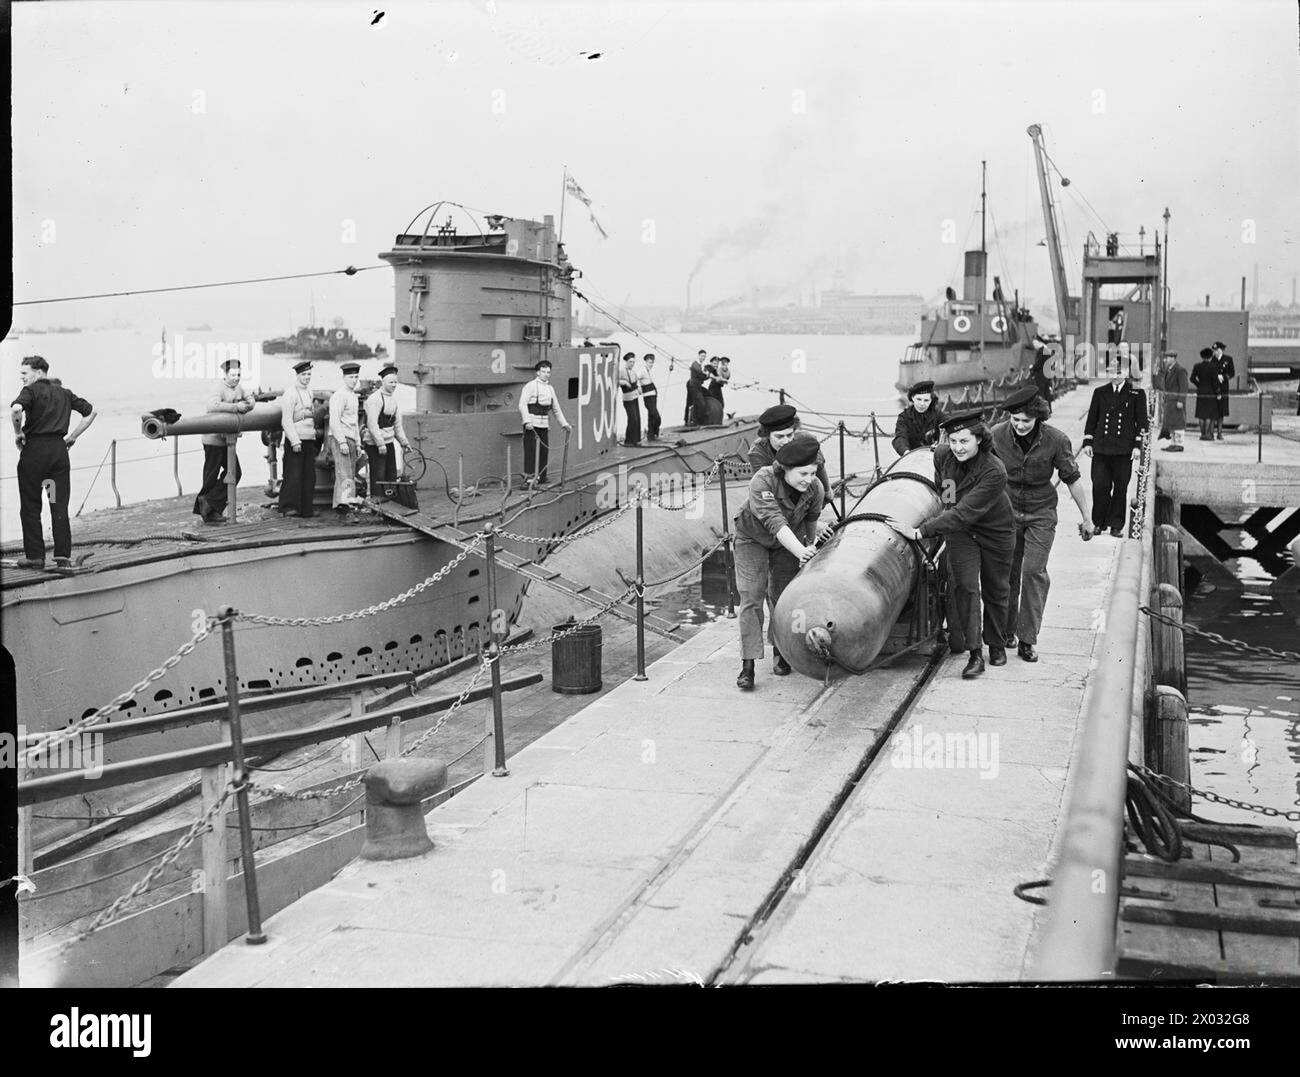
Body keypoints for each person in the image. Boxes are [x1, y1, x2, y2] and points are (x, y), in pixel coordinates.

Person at [886, 411, 1015, 679]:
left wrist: (921, 532)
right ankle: (975, 654)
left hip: (995, 531)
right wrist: (944, 519)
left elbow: (963, 511)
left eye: (964, 441)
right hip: (962, 532)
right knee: (966, 586)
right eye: (953, 440)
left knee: (996, 588)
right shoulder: (943, 456)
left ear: (980, 439)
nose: (958, 447)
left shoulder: (994, 471)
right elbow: (948, 498)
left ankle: (996, 643)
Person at [990, 385, 1093, 663]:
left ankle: (1026, 639)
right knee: (1006, 574)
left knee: (1033, 572)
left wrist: (1087, 517)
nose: (1020, 426)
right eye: (1015, 420)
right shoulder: (996, 436)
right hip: (1006, 512)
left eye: (1026, 420)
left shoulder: (1056, 440)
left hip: (1040, 513)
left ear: (1038, 417)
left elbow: (1072, 478)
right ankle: (1006, 632)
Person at [732, 434, 833, 690]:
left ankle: (781, 651)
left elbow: (810, 524)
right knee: (751, 597)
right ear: (785, 469)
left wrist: (810, 547)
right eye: (803, 474)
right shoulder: (762, 480)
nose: (809, 480)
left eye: (813, 473)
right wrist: (801, 551)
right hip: (752, 538)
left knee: (782, 595)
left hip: (788, 542)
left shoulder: (814, 489)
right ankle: (748, 665)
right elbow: (774, 521)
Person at [9, 356, 97, 568]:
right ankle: (62, 557)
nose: (22, 377)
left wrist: (18, 432)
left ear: (38, 373)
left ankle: (36, 557)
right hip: (58, 455)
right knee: (58, 504)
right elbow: (91, 412)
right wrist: (73, 436)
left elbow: (16, 410)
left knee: (31, 505)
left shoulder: (30, 391)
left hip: (34, 454)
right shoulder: (64, 393)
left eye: (24, 373)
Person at [1081, 360, 1148, 537]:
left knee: (1121, 488)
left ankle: (1116, 525)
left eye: (1120, 371)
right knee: (1100, 486)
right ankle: (1099, 522)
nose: (1116, 374)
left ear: (1126, 372)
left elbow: (1142, 422)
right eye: (1112, 371)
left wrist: (1137, 446)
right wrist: (1088, 442)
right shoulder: (1100, 392)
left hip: (1123, 449)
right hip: (1101, 449)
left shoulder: (1136, 393)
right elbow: (1092, 419)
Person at [193, 357, 255, 525]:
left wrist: (250, 402)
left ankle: (209, 505)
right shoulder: (218, 388)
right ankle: (207, 509)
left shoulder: (238, 387)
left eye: (239, 375)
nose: (236, 378)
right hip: (213, 439)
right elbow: (212, 405)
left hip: (228, 440)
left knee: (235, 472)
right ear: (226, 374)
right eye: (233, 375)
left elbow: (249, 399)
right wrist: (236, 407)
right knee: (211, 477)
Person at [748, 404, 831, 494]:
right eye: (779, 437)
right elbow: (764, 484)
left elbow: (819, 467)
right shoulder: (758, 453)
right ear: (767, 435)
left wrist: (827, 491)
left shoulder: (807, 440)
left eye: (789, 435)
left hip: (804, 486)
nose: (786, 441)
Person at [517, 357, 572, 484]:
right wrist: (527, 421)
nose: (546, 374)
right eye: (543, 371)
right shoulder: (530, 386)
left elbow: (556, 409)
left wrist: (564, 424)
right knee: (530, 451)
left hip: (544, 424)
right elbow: (522, 404)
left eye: (548, 372)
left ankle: (542, 476)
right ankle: (529, 478)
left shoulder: (550, 389)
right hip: (531, 424)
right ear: (538, 372)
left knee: (544, 450)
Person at [279, 360, 320, 518]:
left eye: (309, 374)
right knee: (293, 474)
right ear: (297, 375)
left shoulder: (309, 392)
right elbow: (286, 420)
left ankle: (306, 508)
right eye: (303, 374)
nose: (307, 377)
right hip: (296, 440)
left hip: (309, 438)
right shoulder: (290, 393)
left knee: (309, 475)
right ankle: (289, 507)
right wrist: (295, 440)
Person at [363, 363, 412, 493]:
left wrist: (404, 442)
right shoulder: (375, 399)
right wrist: (380, 444)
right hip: (375, 444)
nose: (394, 385)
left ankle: (390, 501)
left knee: (391, 473)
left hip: (388, 442)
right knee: (379, 475)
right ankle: (377, 502)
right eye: (391, 382)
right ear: (383, 382)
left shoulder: (392, 400)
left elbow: (397, 425)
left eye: (396, 382)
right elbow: (372, 424)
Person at [328, 361, 363, 511]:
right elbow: (334, 421)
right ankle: (343, 505)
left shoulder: (353, 396)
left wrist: (359, 444)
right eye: (351, 377)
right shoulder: (339, 396)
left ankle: (346, 503)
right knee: (344, 474)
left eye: (356, 377)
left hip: (351, 439)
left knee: (350, 473)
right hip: (341, 439)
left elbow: (355, 423)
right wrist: (341, 442)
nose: (354, 380)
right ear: (344, 378)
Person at [891, 380, 945, 456]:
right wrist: (906, 452)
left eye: (926, 400)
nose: (922, 404)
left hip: (934, 455)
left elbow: (948, 428)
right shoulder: (904, 417)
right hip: (912, 456)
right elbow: (900, 438)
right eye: (919, 399)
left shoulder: (938, 414)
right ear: (912, 398)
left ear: (931, 401)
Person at [1155, 351, 1189, 453]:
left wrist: (1181, 400)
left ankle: (1179, 444)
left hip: (1176, 401)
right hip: (1170, 401)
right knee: (1172, 423)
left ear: (1174, 358)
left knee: (1178, 423)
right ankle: (1173, 443)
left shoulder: (1180, 370)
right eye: (1166, 358)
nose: (1166, 360)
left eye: (1168, 358)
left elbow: (1184, 387)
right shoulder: (1168, 370)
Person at [1190, 347, 1219, 442]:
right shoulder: (1213, 367)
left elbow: (1192, 378)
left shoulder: (1197, 366)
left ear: (1202, 356)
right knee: (1209, 415)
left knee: (1201, 414)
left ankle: (1202, 434)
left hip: (1201, 391)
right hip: (1211, 393)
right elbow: (1215, 382)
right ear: (1210, 356)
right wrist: (1218, 392)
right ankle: (1208, 434)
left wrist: (1199, 385)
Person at [1211, 340, 1235, 440]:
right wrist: (1216, 376)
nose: (1215, 352)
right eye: (1214, 350)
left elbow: (1232, 373)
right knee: (1212, 411)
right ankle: (1211, 432)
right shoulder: (1213, 360)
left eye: (1216, 350)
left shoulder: (1228, 359)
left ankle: (1219, 432)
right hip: (1214, 388)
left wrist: (1224, 377)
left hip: (1223, 388)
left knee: (1221, 411)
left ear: (1220, 350)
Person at [619, 352, 642, 446]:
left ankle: (636, 439)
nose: (632, 364)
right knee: (633, 419)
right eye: (630, 362)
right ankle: (628, 440)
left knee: (637, 418)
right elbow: (616, 380)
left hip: (635, 397)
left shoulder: (633, 372)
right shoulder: (622, 371)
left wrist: (639, 388)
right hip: (628, 399)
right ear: (626, 362)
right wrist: (624, 382)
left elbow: (637, 382)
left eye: (633, 362)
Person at [640, 353, 662, 439]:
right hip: (648, 397)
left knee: (651, 416)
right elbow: (635, 378)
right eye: (649, 362)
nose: (651, 364)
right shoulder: (642, 371)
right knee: (657, 417)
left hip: (653, 396)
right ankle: (654, 432)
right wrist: (638, 387)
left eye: (652, 363)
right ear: (645, 362)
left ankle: (651, 434)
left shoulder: (648, 370)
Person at [684, 349, 709, 425]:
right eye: (702, 356)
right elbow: (699, 372)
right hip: (693, 387)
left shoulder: (701, 365)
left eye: (704, 356)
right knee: (701, 404)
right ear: (698, 356)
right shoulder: (695, 364)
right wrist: (706, 373)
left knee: (696, 403)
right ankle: (697, 421)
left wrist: (707, 375)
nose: (703, 358)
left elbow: (702, 377)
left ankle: (695, 421)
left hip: (698, 387)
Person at [1030, 339, 1056, 411]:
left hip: (1041, 375)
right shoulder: (1048, 350)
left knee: (1041, 392)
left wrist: (1032, 368)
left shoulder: (1042, 351)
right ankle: (1048, 409)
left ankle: (1043, 409)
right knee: (1046, 392)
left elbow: (1039, 363)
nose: (1034, 346)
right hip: (1047, 374)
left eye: (1035, 343)